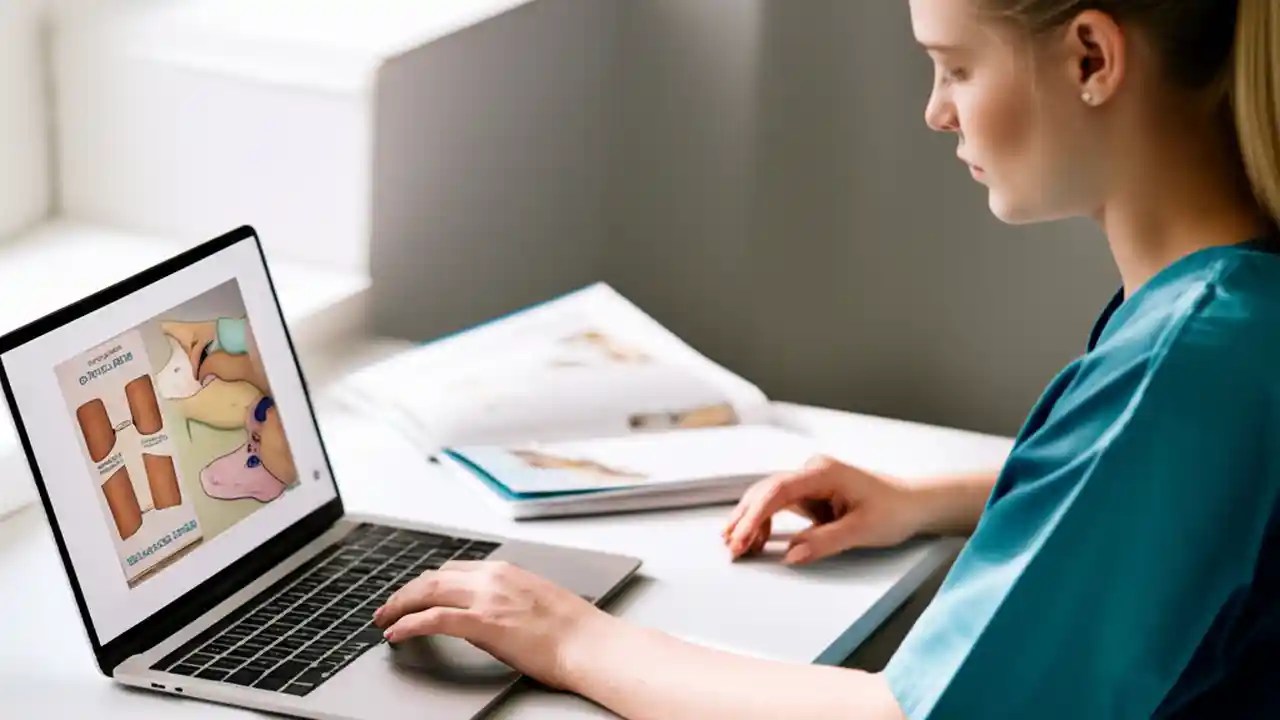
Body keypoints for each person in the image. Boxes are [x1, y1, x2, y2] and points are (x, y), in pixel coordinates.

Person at [372, 0, 1280, 716]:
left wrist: (572, 639)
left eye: (955, 66)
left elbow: (909, 718)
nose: (935, 110)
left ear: (1091, 57)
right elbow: (1192, 488)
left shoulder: (1189, 357)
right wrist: (937, 498)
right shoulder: (1235, 308)